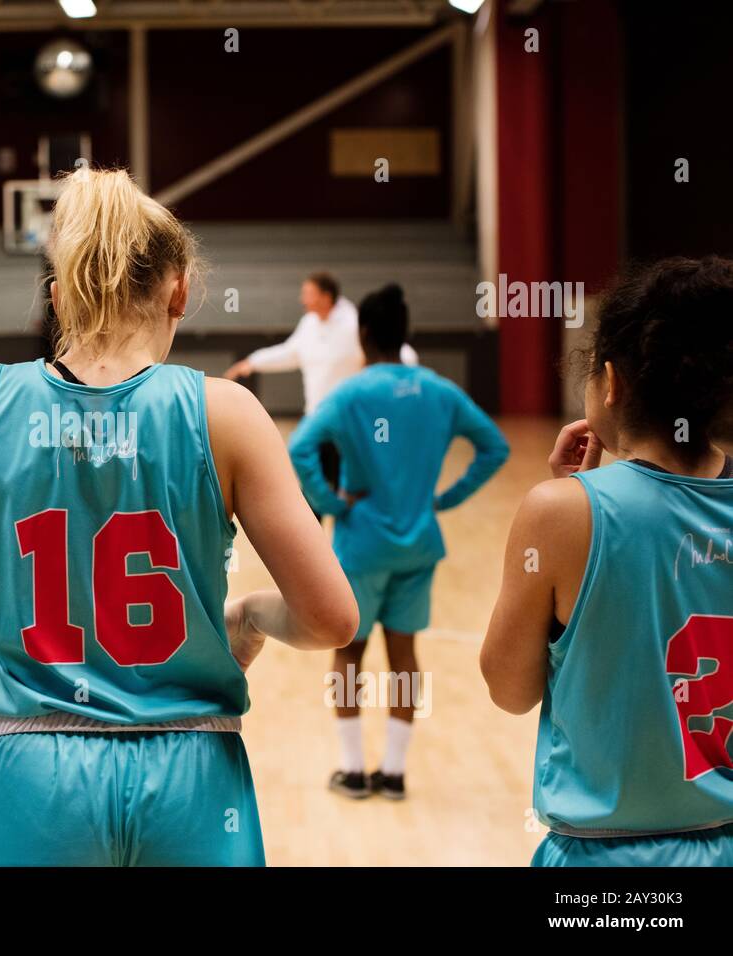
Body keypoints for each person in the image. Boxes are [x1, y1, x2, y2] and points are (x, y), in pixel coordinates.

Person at [0, 167, 358, 866]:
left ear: (58, 298)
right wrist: (251, 617)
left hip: (33, 773)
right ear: (179, 291)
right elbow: (331, 619)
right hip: (193, 767)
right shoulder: (227, 415)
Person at [481, 257, 733, 866]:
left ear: (612, 382)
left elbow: (509, 689)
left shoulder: (559, 514)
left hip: (608, 862)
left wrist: (578, 497)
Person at [291, 284, 508, 800]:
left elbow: (301, 448)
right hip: (419, 546)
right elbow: (494, 447)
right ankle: (394, 772)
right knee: (404, 656)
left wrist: (335, 502)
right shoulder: (439, 390)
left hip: (361, 546)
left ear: (363, 335)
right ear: (405, 333)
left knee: (349, 653)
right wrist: (447, 498)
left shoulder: (349, 394)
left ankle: (351, 769)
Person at [225, 272, 419, 501]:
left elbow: (397, 352)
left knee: (348, 491)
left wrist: (403, 375)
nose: (302, 299)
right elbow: (290, 352)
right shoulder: (309, 324)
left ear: (326, 297)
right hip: (317, 419)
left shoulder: (352, 324)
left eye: (308, 293)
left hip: (349, 425)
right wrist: (252, 362)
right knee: (311, 493)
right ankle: (316, 529)